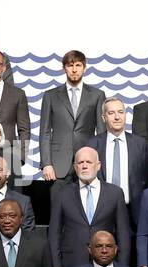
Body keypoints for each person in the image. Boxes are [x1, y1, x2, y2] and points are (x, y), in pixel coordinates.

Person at [48, 147, 131, 267]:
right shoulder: (62, 194)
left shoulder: (115, 193)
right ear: (75, 167)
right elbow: (54, 233)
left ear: (98, 165)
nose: (84, 166)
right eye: (80, 163)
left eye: (89, 162)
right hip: (71, 266)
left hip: (107, 265)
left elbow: (124, 233)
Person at [39, 50, 105, 182]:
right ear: (64, 68)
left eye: (78, 65)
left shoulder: (97, 95)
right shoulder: (50, 96)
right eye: (70, 65)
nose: (74, 70)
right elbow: (45, 133)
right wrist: (46, 164)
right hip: (58, 164)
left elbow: (102, 132)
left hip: (88, 162)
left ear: (84, 68)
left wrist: (100, 163)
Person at [89, 97, 148, 227]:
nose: (117, 117)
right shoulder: (92, 144)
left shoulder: (140, 144)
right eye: (111, 113)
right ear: (104, 118)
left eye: (120, 112)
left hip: (133, 214)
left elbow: (145, 178)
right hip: (101, 213)